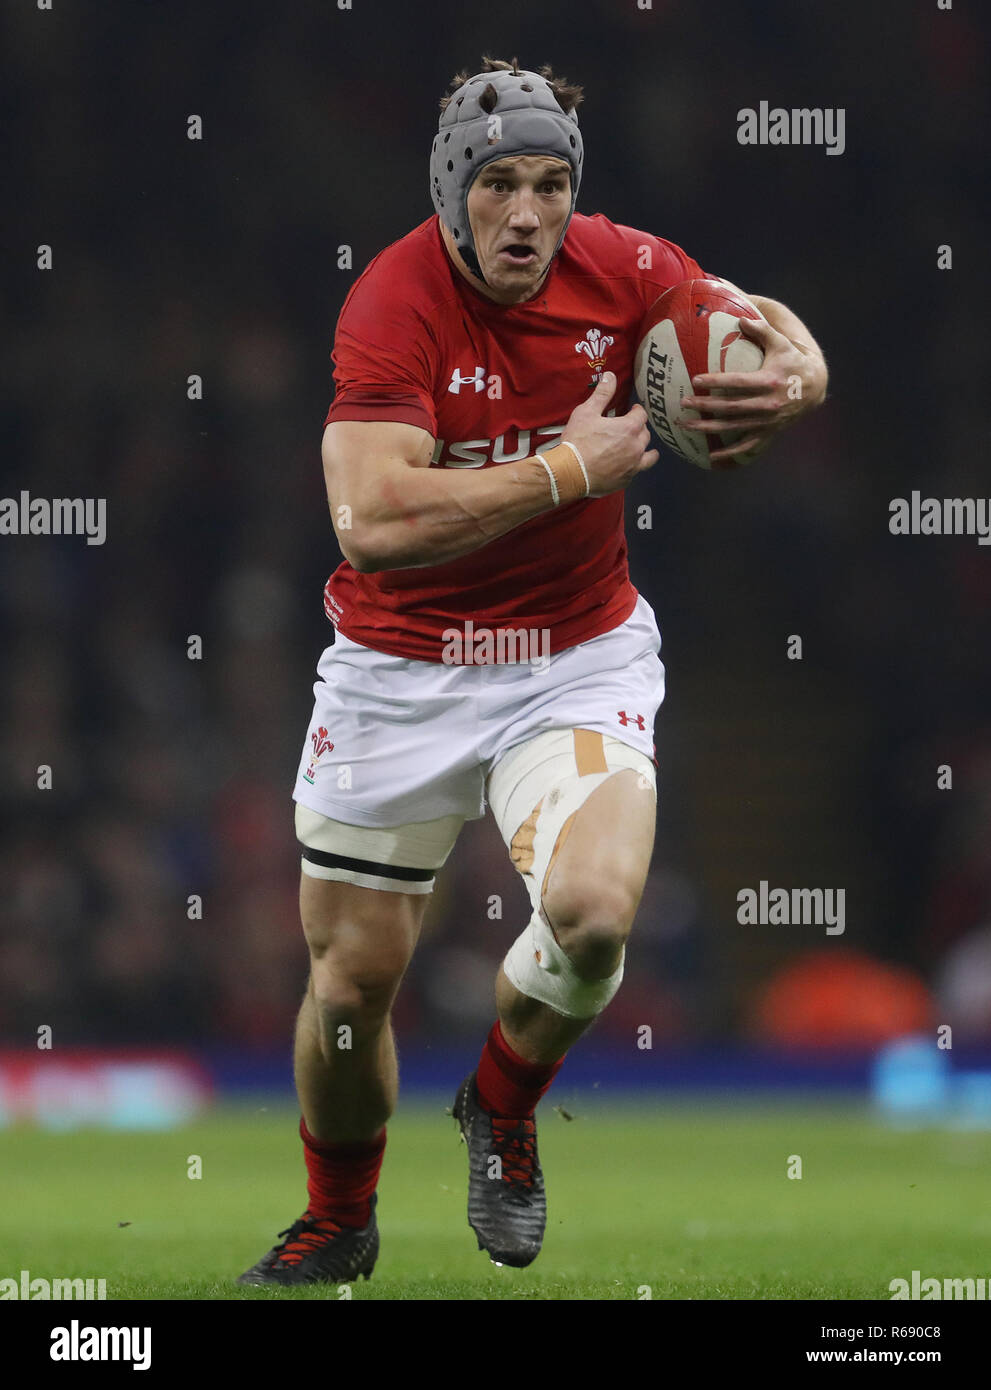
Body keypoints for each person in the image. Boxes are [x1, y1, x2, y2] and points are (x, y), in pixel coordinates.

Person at [237, 55, 827, 1285]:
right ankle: (339, 1216)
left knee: (597, 917)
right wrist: (567, 471)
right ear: (454, 189)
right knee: (351, 988)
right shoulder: (392, 302)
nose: (526, 214)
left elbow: (753, 317)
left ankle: (501, 1110)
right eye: (500, 183)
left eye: (550, 184)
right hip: (399, 671)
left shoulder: (625, 264)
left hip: (570, 655)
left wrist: (802, 373)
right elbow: (372, 520)